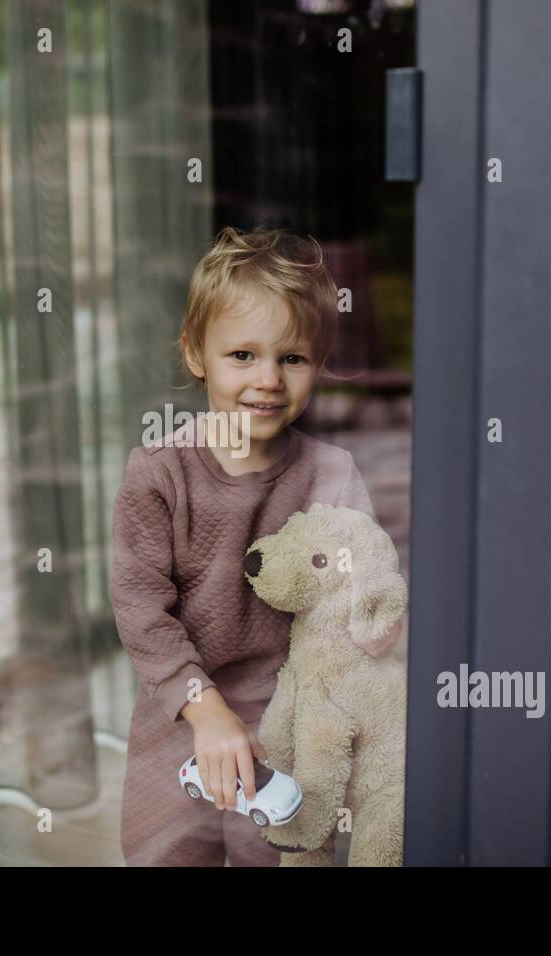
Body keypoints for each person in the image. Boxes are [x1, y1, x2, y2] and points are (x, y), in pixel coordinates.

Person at [110, 225, 400, 866]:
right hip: (179, 718)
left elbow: (355, 604)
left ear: (319, 364)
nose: (268, 379)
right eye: (242, 355)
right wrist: (203, 709)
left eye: (292, 358)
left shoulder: (332, 475)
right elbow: (140, 611)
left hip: (288, 726)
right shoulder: (158, 473)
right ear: (195, 354)